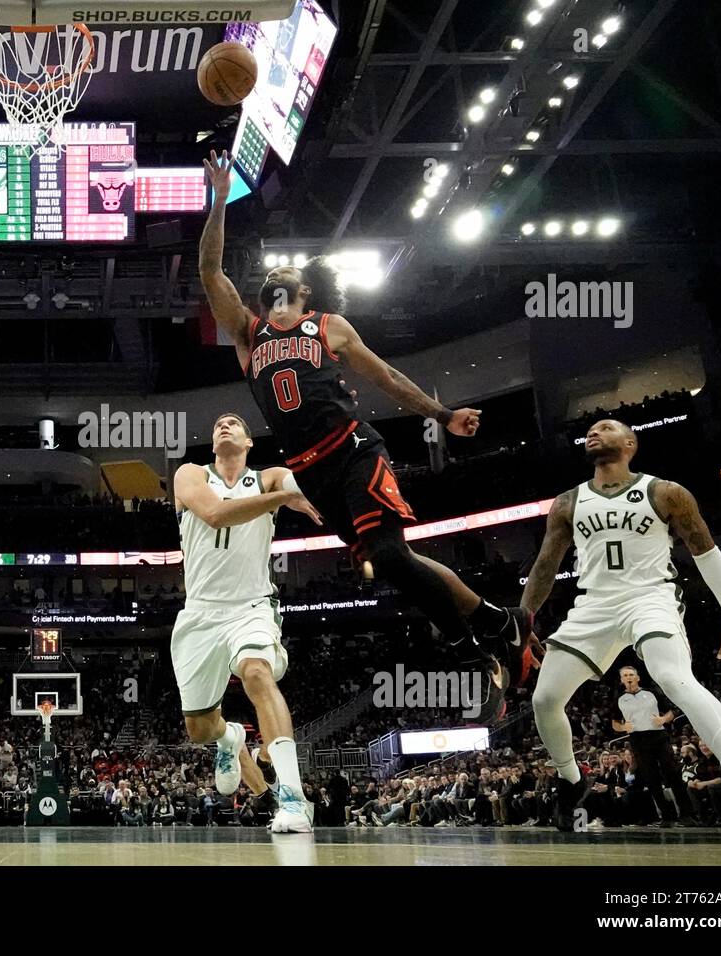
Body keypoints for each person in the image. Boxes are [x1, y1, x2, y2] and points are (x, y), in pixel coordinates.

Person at [198, 150, 535, 724]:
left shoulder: (330, 326)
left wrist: (442, 413)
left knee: (387, 554)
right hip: (313, 472)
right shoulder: (246, 333)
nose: (278, 278)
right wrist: (218, 198)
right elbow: (210, 271)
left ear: (306, 292)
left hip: (353, 451)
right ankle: (497, 632)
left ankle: (489, 639)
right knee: (398, 565)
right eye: (272, 277)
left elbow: (389, 378)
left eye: (289, 277)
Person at [521, 418, 721, 831]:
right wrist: (524, 620)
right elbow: (545, 565)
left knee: (672, 678)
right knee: (544, 699)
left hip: (650, 595)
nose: (593, 432)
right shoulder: (567, 502)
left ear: (629, 443)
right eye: (589, 429)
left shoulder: (664, 491)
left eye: (605, 427)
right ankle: (573, 782)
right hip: (594, 603)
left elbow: (706, 553)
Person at [172, 412, 322, 832]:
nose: (223, 425)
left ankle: (293, 801)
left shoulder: (269, 476)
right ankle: (228, 737)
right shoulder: (190, 475)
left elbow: (299, 481)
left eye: (234, 422)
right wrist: (281, 500)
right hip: (200, 613)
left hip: (251, 605)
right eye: (217, 423)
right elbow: (217, 514)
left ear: (249, 441)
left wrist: (301, 491)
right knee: (199, 730)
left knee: (256, 673)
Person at [610, 665, 695, 826]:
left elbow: (671, 712)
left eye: (631, 674)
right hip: (637, 739)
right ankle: (667, 816)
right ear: (622, 680)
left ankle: (687, 814)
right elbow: (614, 723)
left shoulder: (652, 693)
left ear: (637, 677)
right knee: (651, 778)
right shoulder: (619, 699)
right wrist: (622, 727)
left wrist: (663, 720)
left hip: (658, 736)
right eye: (625, 675)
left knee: (672, 773)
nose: (628, 677)